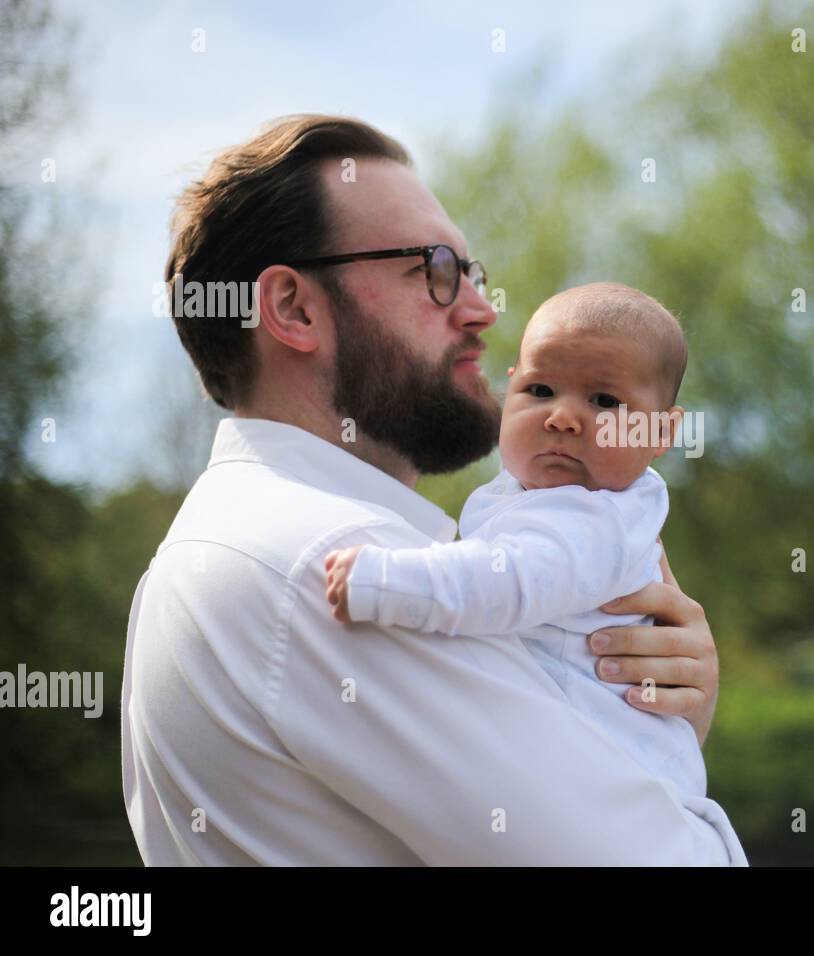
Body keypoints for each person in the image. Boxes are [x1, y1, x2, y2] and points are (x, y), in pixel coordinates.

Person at [121, 115, 746, 865]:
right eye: (435, 269)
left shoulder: (213, 551)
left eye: (472, 275)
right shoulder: (337, 567)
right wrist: (669, 762)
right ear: (292, 309)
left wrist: (638, 718)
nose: (483, 311)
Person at [325, 282, 710, 804]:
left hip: (617, 788)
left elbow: (504, 582)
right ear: (510, 392)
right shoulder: (529, 494)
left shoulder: (594, 521)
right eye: (541, 391)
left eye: (604, 400)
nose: (562, 417)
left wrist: (385, 580)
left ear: (661, 433)